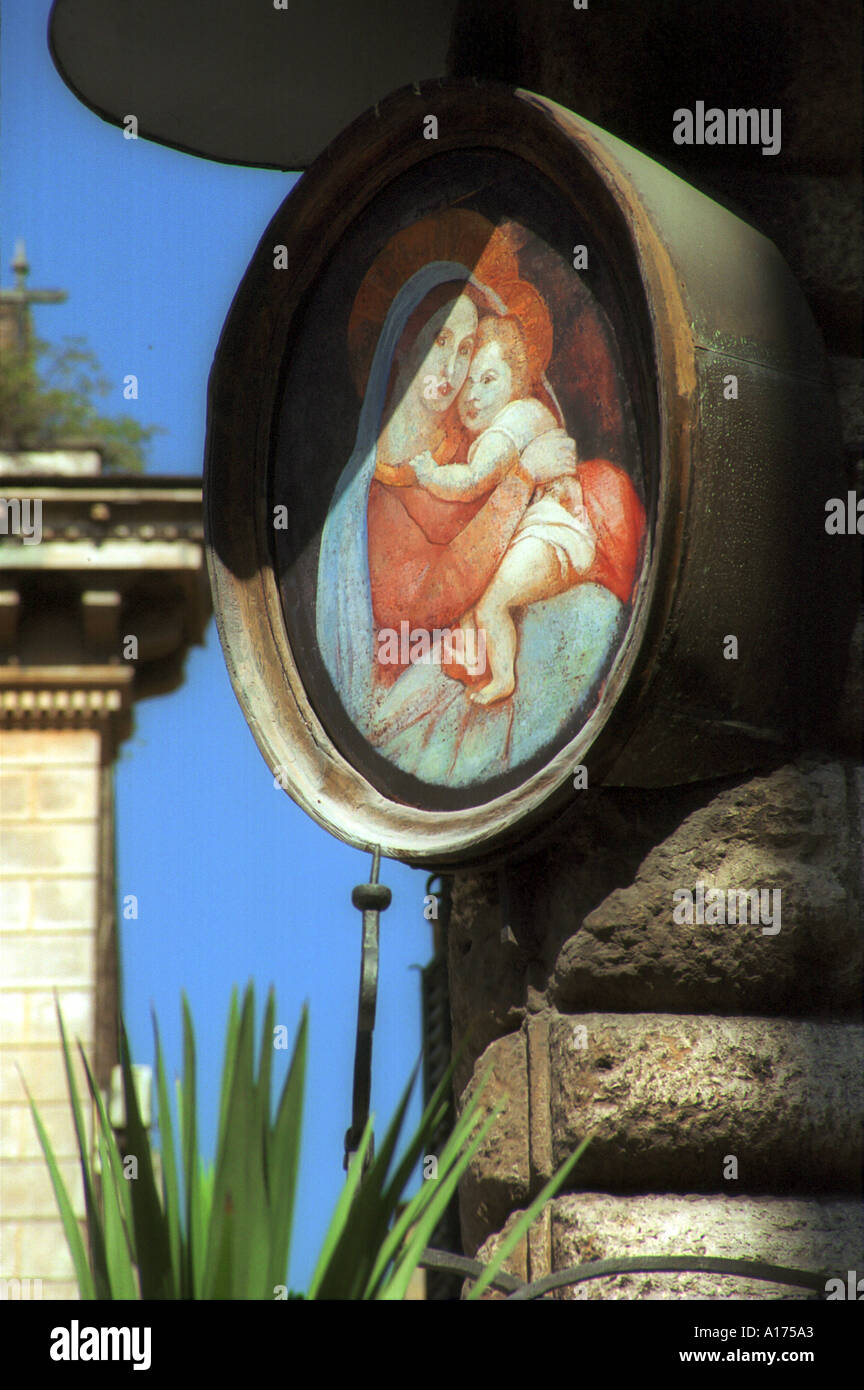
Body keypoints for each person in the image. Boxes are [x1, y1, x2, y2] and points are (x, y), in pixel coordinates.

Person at [407, 313, 598, 704]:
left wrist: (429, 474)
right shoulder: (516, 419)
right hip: (543, 531)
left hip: (551, 532)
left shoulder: (510, 423)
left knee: (492, 602)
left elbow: (472, 480)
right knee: (479, 601)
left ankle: (503, 680)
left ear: (516, 382)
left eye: (489, 380)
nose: (473, 394)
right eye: (468, 384)